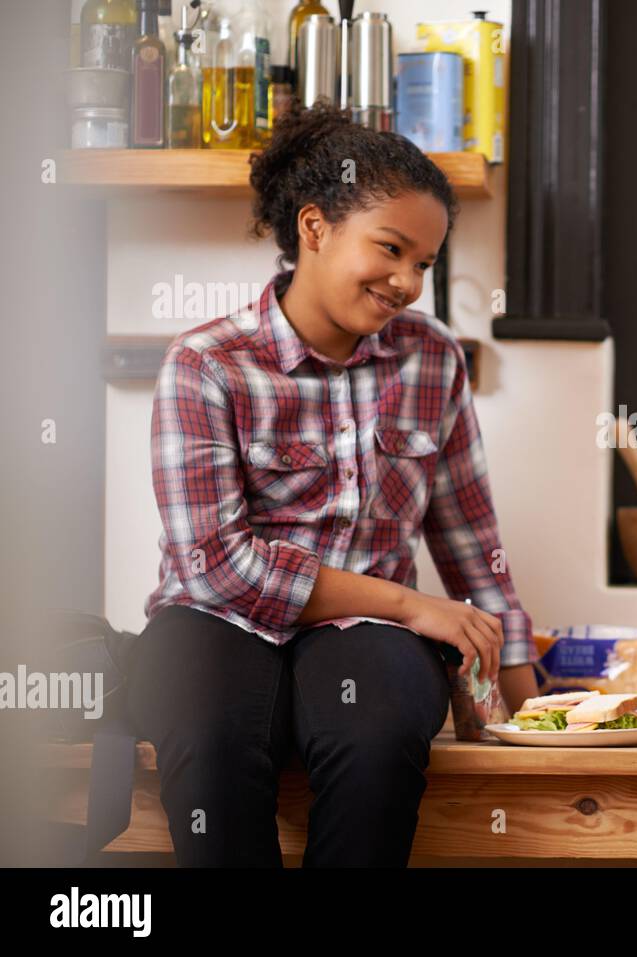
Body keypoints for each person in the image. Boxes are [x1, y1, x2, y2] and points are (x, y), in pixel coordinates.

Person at [128, 104, 539, 867]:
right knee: (212, 733)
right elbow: (218, 564)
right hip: (213, 622)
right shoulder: (207, 362)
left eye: (425, 263)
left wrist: (541, 717)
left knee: (378, 734)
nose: (409, 282)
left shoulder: (433, 361)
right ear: (314, 228)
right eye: (391, 249)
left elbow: (477, 555)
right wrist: (412, 605)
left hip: (368, 646)